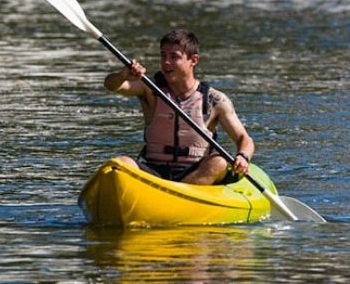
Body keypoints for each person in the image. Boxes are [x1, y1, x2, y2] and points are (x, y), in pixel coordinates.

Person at [103, 28, 255, 185]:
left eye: (174, 57)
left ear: (193, 60)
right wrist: (123, 75)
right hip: (153, 170)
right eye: (163, 55)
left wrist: (242, 156)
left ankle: (179, 196)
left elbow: (244, 139)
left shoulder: (214, 100)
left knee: (219, 163)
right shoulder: (150, 88)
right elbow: (111, 85)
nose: (166, 62)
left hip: (194, 172)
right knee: (120, 163)